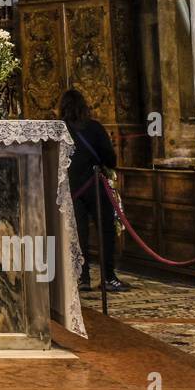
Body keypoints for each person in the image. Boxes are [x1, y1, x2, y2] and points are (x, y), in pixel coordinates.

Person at [60, 88, 129, 293]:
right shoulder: (94, 128)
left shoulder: (59, 130)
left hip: (70, 187)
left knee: (79, 233)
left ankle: (83, 278)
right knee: (105, 231)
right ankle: (108, 276)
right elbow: (109, 157)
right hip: (94, 185)